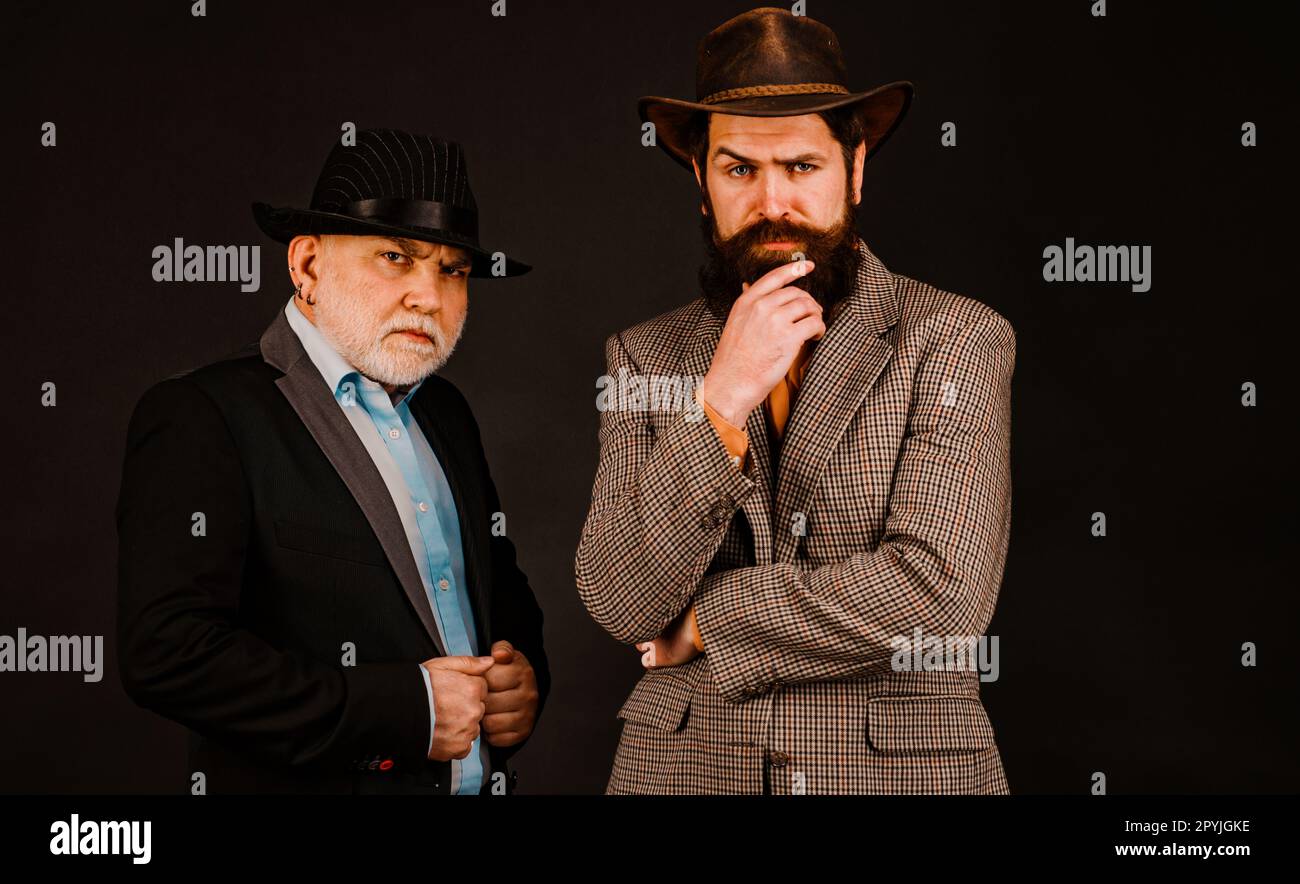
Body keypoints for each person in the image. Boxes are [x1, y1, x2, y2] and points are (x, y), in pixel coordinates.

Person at [575, 8, 1015, 794]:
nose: (772, 201)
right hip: (684, 773)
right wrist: (724, 398)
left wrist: (708, 623)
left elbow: (939, 593)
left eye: (802, 168)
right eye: (739, 169)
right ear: (702, 186)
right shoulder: (643, 356)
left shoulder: (958, 336)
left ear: (855, 170)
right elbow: (620, 597)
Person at [117, 128, 549, 795]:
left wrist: (526, 677)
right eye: (396, 258)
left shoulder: (447, 415)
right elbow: (168, 653)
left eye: (452, 269)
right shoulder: (203, 415)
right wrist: (407, 709)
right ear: (308, 266)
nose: (428, 297)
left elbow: (497, 588)